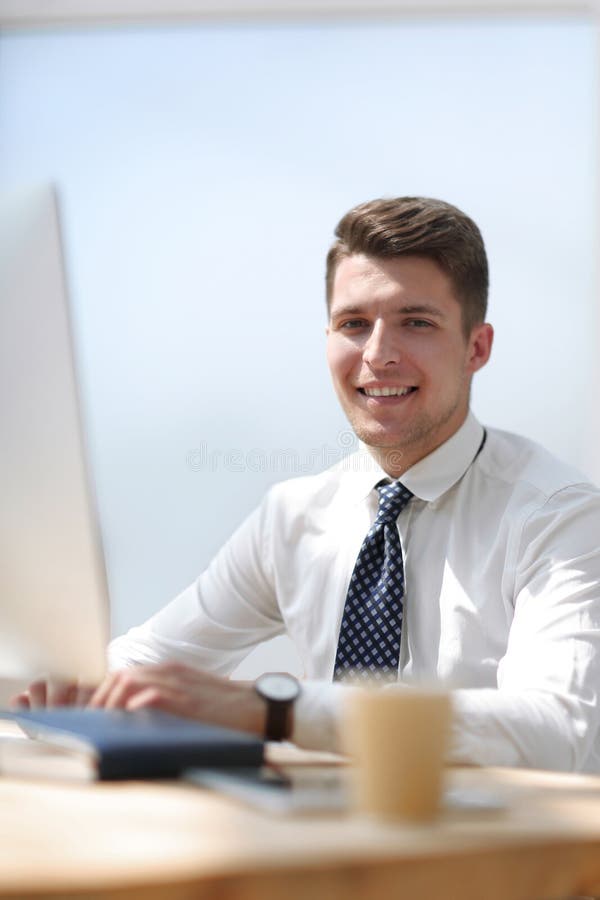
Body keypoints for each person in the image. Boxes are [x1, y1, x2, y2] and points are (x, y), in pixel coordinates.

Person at [15, 197, 600, 772]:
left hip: (491, 857)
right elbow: (144, 665)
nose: (378, 354)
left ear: (477, 347)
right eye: (353, 324)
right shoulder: (293, 517)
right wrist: (54, 686)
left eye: (416, 323)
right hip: (317, 842)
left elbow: (561, 729)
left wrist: (276, 709)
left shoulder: (559, 517)